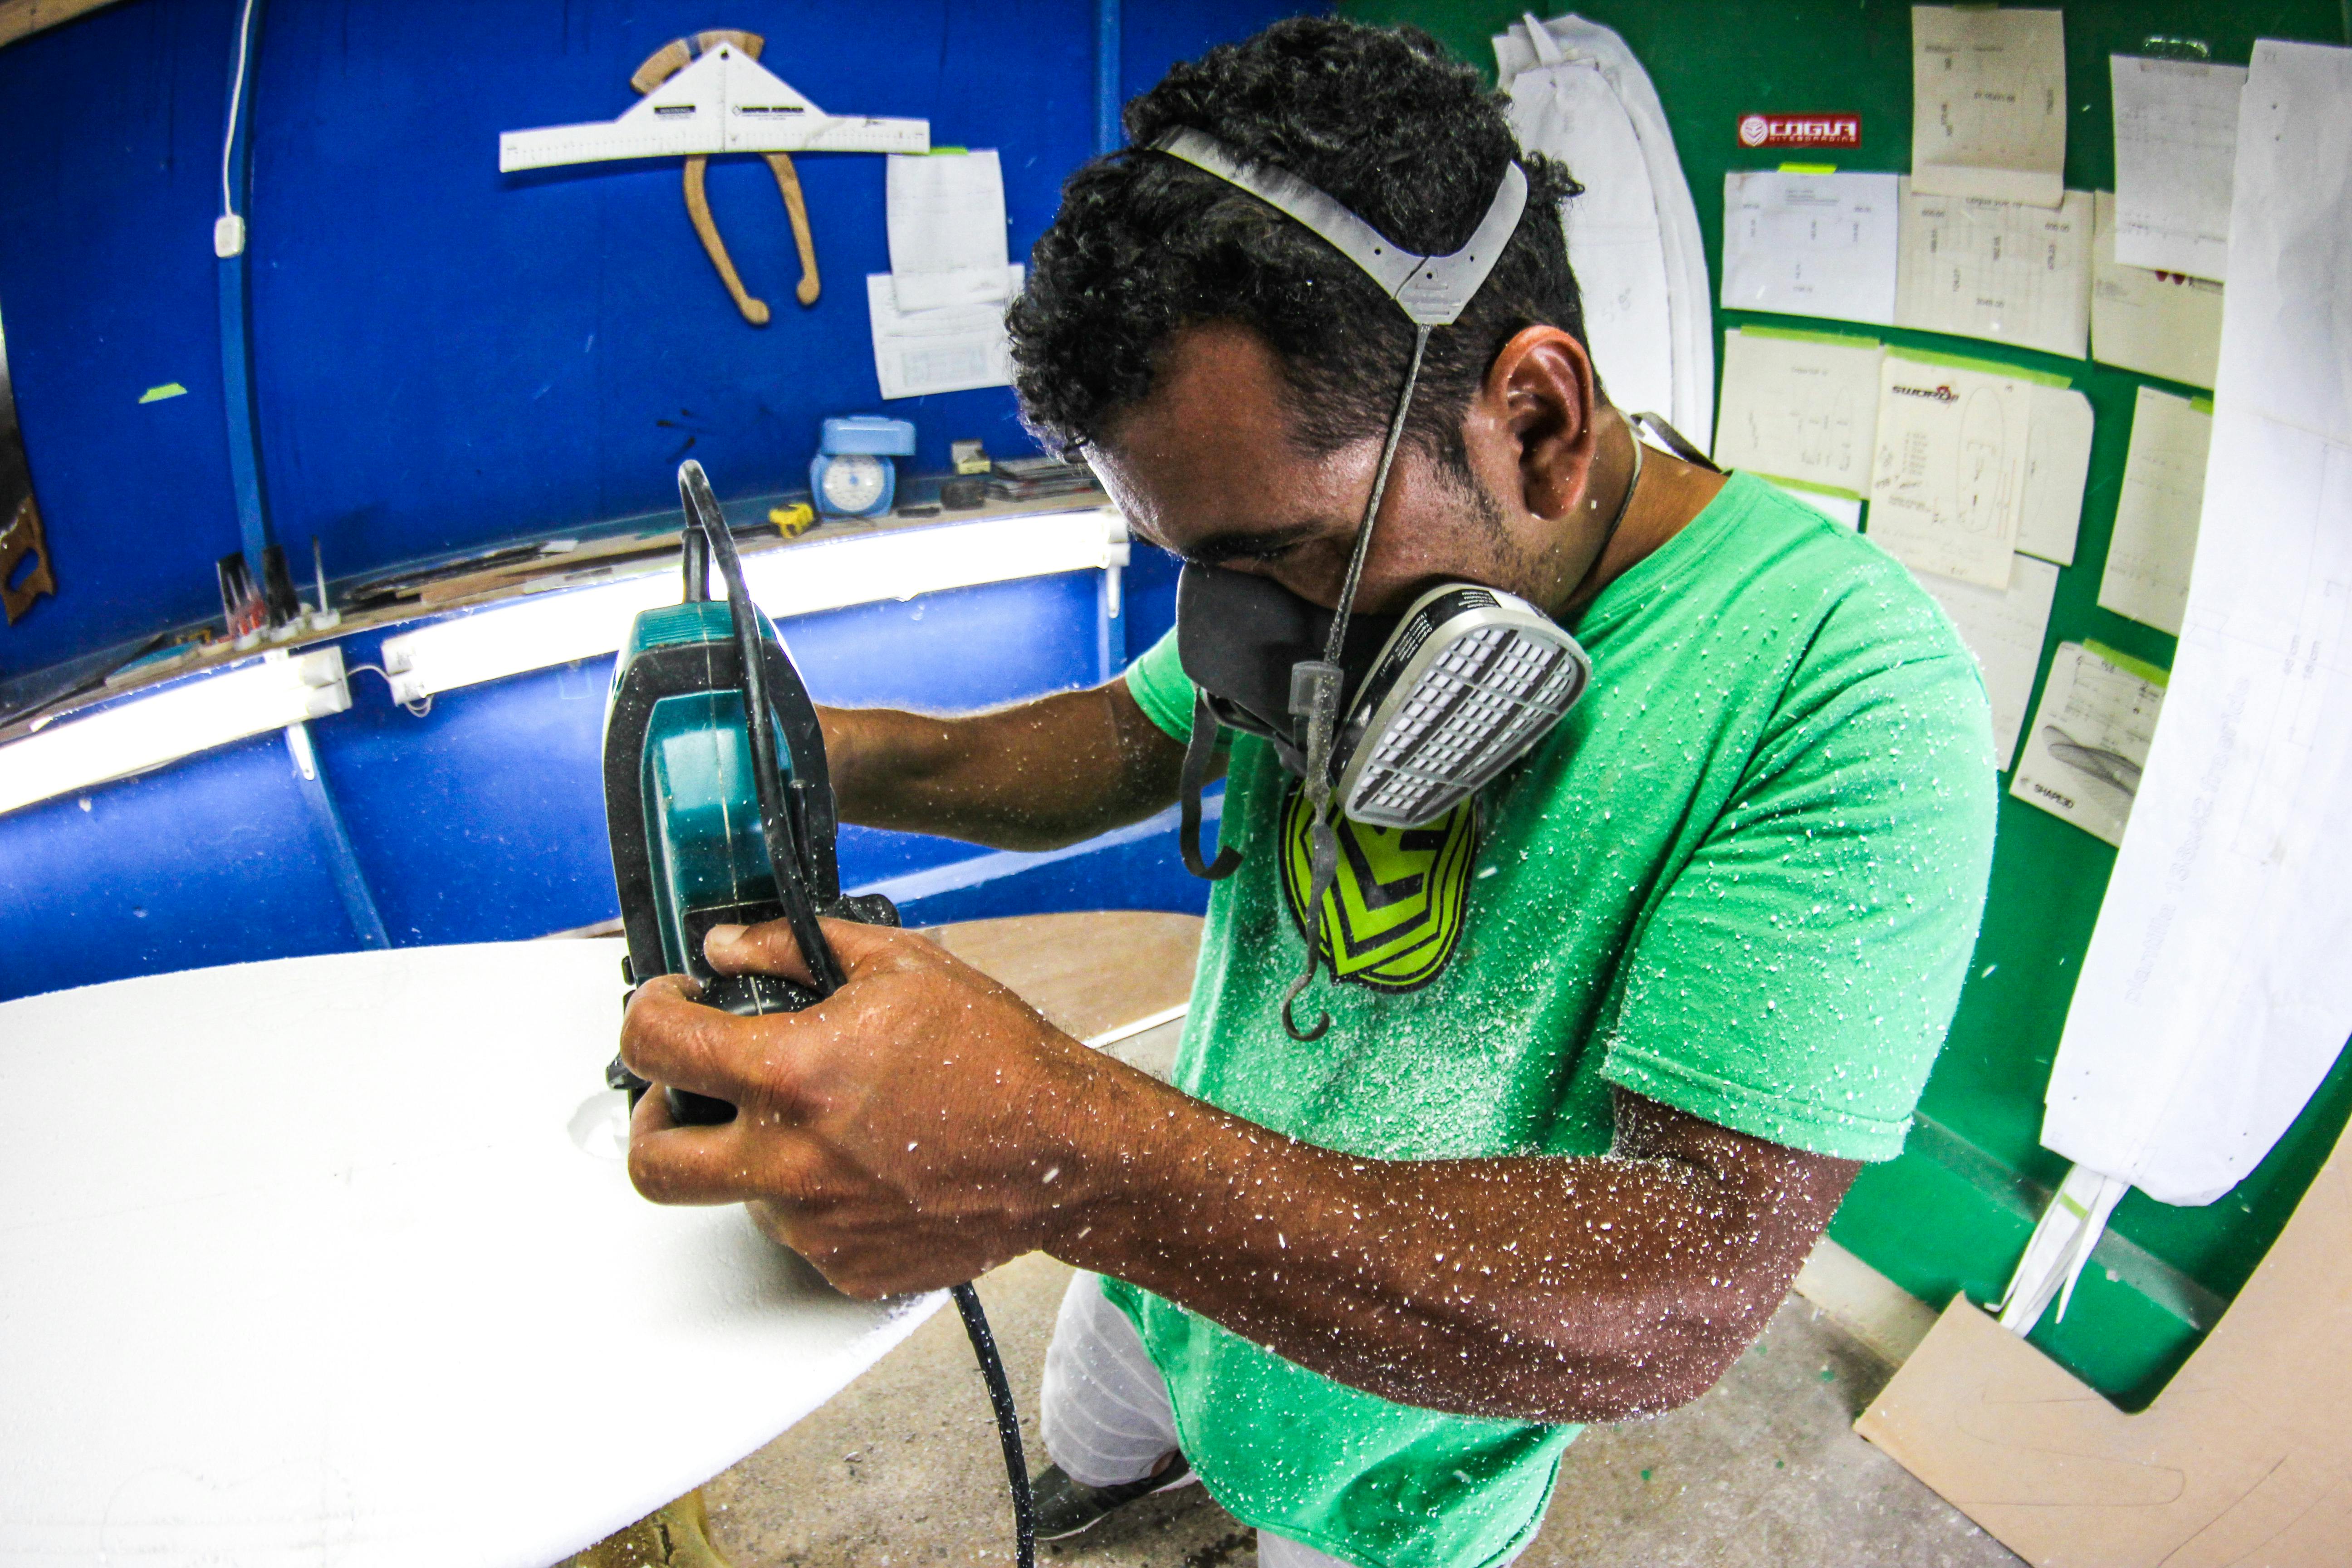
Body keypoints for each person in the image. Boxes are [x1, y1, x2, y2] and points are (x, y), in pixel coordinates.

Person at [618, 19, 1997, 1568]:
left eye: (1276, 554)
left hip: (1397, 1458)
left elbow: (1676, 1291)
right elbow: (1124, 741)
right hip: (1156, 1277)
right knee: (1090, 1454)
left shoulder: (1840, 689)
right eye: (1195, 565)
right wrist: (831, 753)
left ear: (1534, 421)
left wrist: (1062, 1147)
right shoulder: (1303, 540)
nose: (1235, 637)